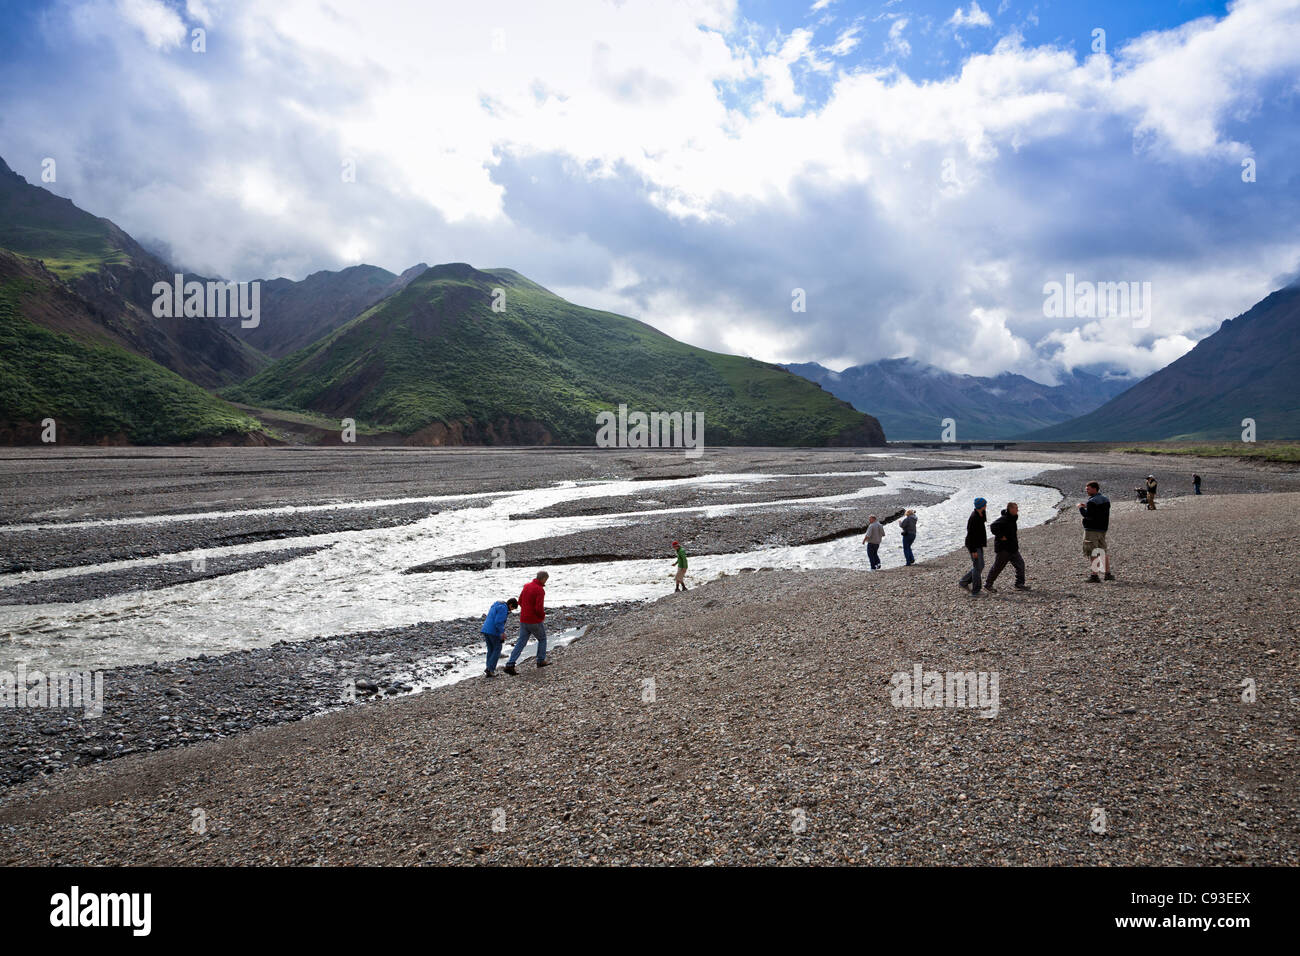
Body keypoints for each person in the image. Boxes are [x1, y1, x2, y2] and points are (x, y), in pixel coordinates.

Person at [503, 571, 549, 674]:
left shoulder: (527, 586)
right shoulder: (540, 590)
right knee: (542, 639)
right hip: (534, 620)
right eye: (546, 579)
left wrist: (527, 610)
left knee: (521, 642)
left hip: (524, 619)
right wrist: (542, 616)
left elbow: (519, 601)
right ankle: (540, 660)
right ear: (544, 579)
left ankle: (510, 664)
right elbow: (538, 607)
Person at [984, 503, 1030, 592]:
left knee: (1020, 565)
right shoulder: (1004, 518)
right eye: (1016, 508)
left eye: (1017, 508)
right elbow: (993, 526)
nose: (1017, 510)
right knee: (998, 567)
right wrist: (1001, 536)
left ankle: (1019, 584)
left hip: (1012, 548)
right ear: (1011, 509)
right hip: (1003, 549)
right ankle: (988, 584)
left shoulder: (1013, 518)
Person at [1078, 481, 1114, 583]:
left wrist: (1080, 508)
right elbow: (1099, 512)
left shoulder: (1092, 501)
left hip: (1092, 530)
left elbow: (1088, 516)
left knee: (1093, 552)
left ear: (1095, 489)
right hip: (1102, 529)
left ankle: (1094, 575)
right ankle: (1108, 574)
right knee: (1102, 551)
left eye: (1088, 489)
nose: (1086, 491)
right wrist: (1087, 507)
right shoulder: (1105, 499)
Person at [480, 597, 519, 677]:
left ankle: (488, 668)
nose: (510, 611)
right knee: (497, 649)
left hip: (486, 629)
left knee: (490, 649)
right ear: (510, 605)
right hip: (493, 631)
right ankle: (490, 669)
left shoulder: (497, 604)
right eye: (512, 608)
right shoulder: (503, 608)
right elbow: (498, 622)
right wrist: (502, 633)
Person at [957, 497, 988, 596]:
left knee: (980, 566)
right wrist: (973, 550)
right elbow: (971, 535)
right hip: (973, 545)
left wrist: (983, 512)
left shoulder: (980, 514)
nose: (986, 506)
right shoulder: (974, 517)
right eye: (985, 504)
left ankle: (964, 581)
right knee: (977, 567)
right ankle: (976, 591)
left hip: (978, 544)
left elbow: (984, 521)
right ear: (981, 506)